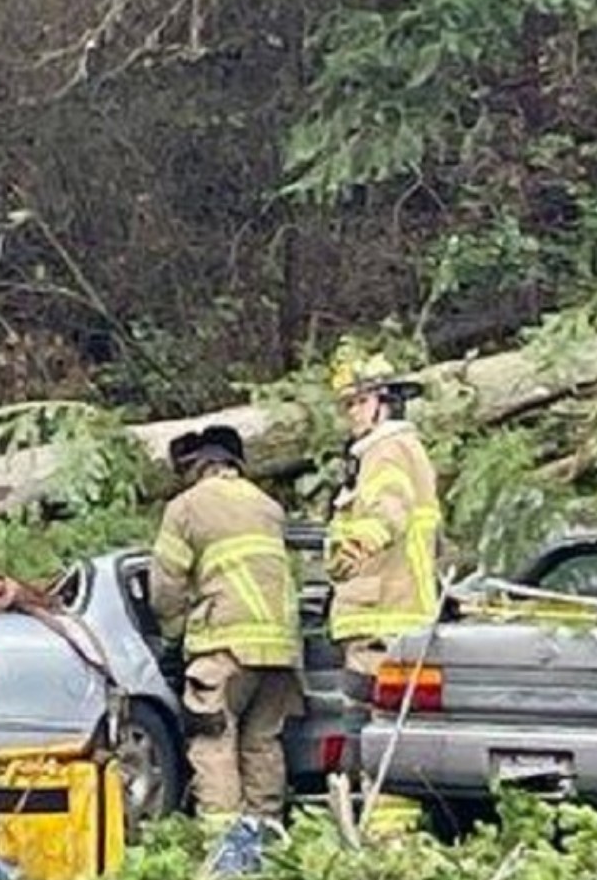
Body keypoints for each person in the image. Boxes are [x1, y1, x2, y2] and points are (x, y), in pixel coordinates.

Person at [148, 424, 303, 836]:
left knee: (212, 740)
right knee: (262, 743)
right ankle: (267, 838)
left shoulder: (186, 508)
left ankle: (224, 847)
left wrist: (173, 634)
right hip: (279, 651)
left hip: (223, 647)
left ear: (195, 468)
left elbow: (165, 588)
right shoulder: (269, 507)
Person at [325, 347, 443, 710]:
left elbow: (389, 513)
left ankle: (357, 770)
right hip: (400, 604)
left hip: (380, 608)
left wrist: (351, 552)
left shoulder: (385, 451)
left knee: (363, 715)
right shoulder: (404, 449)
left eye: (359, 402)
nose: (352, 414)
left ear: (384, 402)